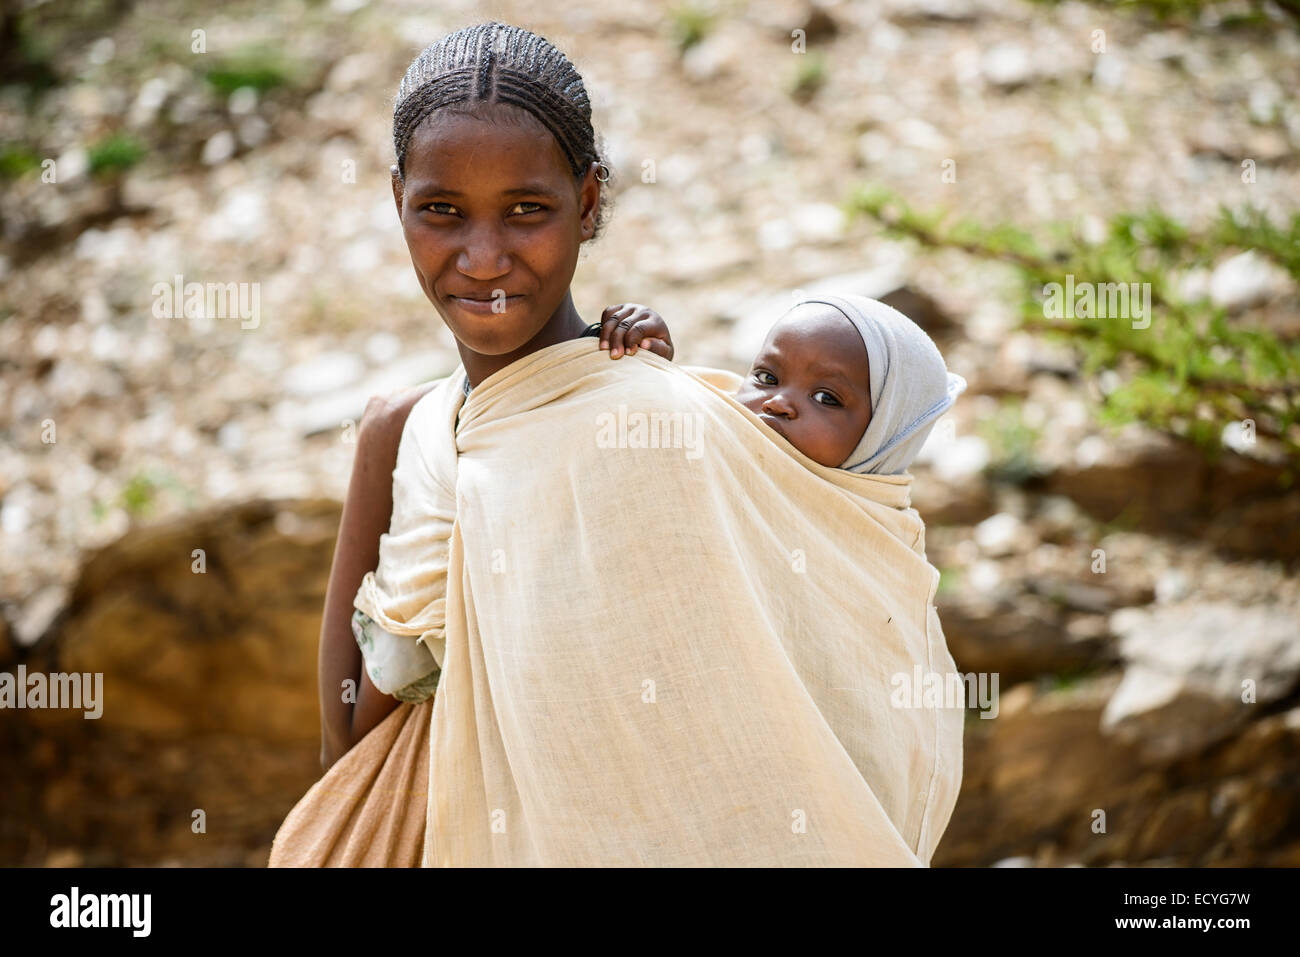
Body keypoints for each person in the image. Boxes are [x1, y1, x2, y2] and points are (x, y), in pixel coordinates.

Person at [270, 20, 963, 868]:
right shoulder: (406, 430)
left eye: (527, 211)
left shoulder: (657, 428)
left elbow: (774, 710)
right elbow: (347, 751)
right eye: (441, 211)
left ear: (589, 201)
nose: (482, 258)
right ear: (397, 202)